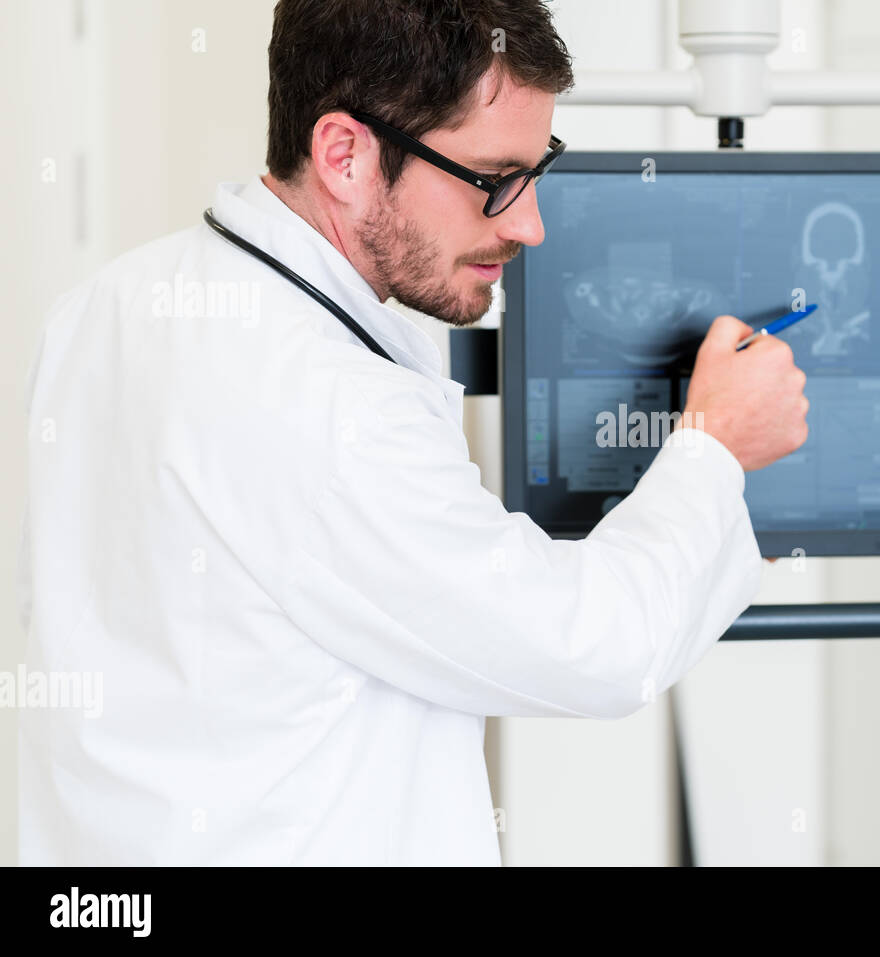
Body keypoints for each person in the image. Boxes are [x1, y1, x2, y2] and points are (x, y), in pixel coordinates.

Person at [17, 0, 809, 865]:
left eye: (539, 170)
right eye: (493, 178)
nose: (528, 224)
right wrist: (716, 446)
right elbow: (597, 646)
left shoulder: (107, 305)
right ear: (345, 154)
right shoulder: (333, 408)